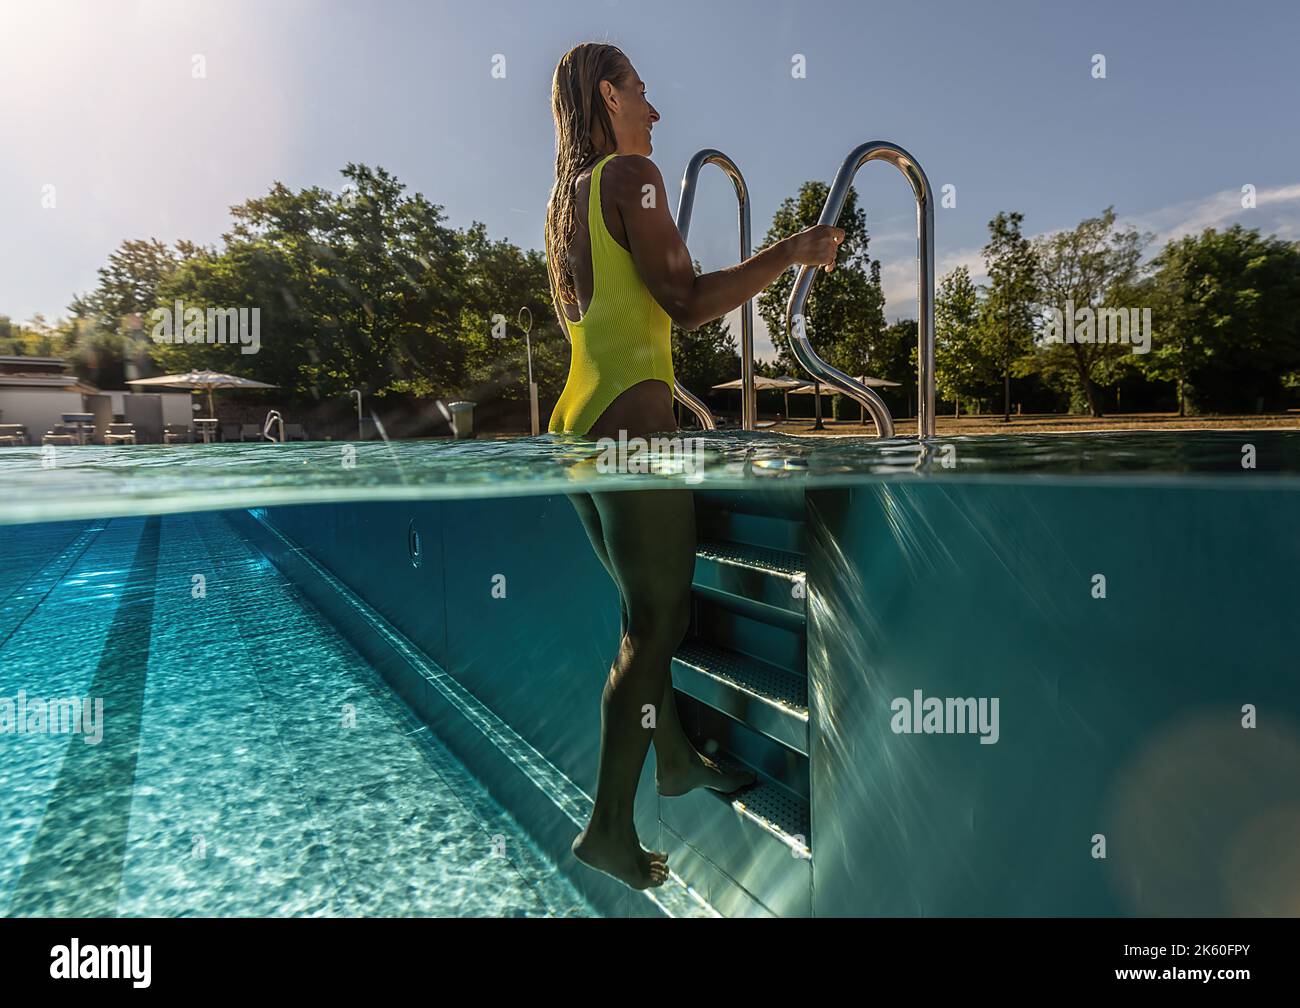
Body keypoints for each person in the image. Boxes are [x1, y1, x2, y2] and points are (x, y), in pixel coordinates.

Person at [543, 41, 844, 890]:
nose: (654, 108)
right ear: (609, 94)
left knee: (646, 615)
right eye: (642, 90)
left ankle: (675, 755)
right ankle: (606, 828)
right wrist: (787, 252)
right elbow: (684, 301)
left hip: (577, 421)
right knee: (656, 628)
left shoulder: (568, 200)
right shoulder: (632, 176)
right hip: (630, 423)